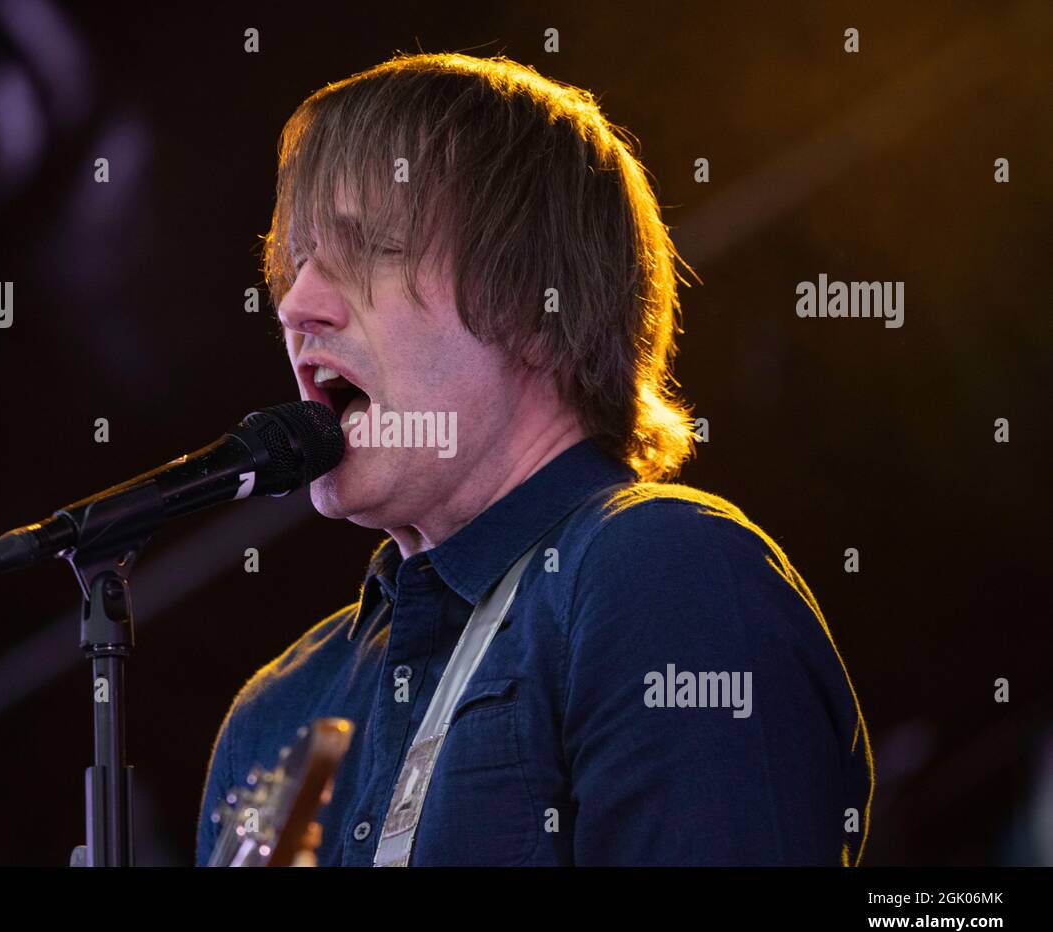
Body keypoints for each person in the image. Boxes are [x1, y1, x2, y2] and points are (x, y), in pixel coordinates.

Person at [196, 52, 873, 866]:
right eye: (295, 263)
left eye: (369, 248)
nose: (298, 304)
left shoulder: (659, 569)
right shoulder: (278, 710)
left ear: (533, 303)